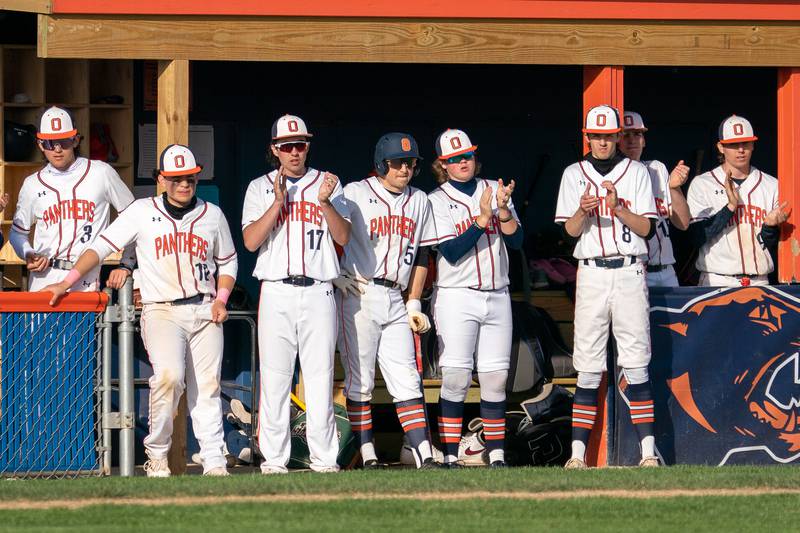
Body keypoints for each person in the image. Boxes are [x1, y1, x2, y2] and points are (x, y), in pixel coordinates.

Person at [42, 144, 238, 477]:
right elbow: (100, 247)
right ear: (161, 179)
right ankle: (157, 454)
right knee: (169, 378)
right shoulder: (141, 211)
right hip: (162, 310)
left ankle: (214, 460)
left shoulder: (212, 214)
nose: (184, 184)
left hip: (205, 307)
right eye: (176, 179)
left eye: (190, 178)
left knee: (208, 387)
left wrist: (221, 298)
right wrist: (66, 281)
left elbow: (228, 261)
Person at [241, 114, 351, 474]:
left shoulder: (328, 183)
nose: (294, 152)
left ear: (307, 146)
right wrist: (277, 203)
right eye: (286, 146)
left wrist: (326, 203)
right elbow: (251, 241)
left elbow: (343, 236)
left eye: (299, 144)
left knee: (320, 377)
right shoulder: (259, 187)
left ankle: (325, 459)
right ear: (275, 149)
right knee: (275, 378)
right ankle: (274, 460)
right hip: (276, 289)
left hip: (318, 289)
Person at [554, 105, 659, 468]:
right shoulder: (573, 173)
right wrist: (582, 212)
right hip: (592, 272)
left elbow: (647, 229)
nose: (602, 142)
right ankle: (577, 456)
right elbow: (568, 232)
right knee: (587, 367)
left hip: (629, 269)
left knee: (637, 365)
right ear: (588, 138)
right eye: (596, 137)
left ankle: (648, 454)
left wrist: (618, 210)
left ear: (617, 137)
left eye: (607, 137)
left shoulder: (637, 172)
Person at [334, 132, 441, 469]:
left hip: (396, 295)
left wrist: (414, 301)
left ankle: (424, 454)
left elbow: (423, 253)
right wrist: (334, 272)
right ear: (382, 164)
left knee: (407, 378)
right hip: (360, 292)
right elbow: (328, 233)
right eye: (398, 163)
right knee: (361, 380)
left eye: (410, 163)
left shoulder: (420, 200)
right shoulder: (355, 192)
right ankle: (368, 455)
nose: (405, 169)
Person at [427, 128, 522, 468]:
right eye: (455, 159)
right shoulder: (435, 200)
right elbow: (451, 252)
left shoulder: (494, 188)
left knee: (496, 378)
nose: (463, 162)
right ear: (443, 164)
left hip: (497, 293)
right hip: (457, 295)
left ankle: (495, 454)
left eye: (466, 155)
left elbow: (517, 241)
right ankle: (451, 454)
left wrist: (504, 211)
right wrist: (482, 220)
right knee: (456, 376)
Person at [11, 106, 134, 291]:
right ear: (40, 145)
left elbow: (134, 219)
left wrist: (126, 264)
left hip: (86, 278)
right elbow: (17, 233)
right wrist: (27, 252)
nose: (57, 149)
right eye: (50, 143)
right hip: (44, 276)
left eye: (64, 141)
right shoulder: (32, 184)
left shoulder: (101, 173)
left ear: (75, 140)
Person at [687, 115, 789, 287]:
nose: (741, 150)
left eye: (746, 143)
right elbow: (696, 238)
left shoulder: (772, 185)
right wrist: (729, 208)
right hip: (717, 280)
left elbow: (774, 247)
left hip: (759, 281)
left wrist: (770, 228)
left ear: (753, 145)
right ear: (721, 147)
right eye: (734, 145)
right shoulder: (702, 184)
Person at [618, 111, 691, 287]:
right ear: (616, 140)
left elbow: (683, 223)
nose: (632, 140)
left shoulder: (657, 168)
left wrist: (674, 188)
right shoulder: (611, 178)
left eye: (637, 134)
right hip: (631, 271)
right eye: (625, 134)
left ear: (644, 140)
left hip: (665, 270)